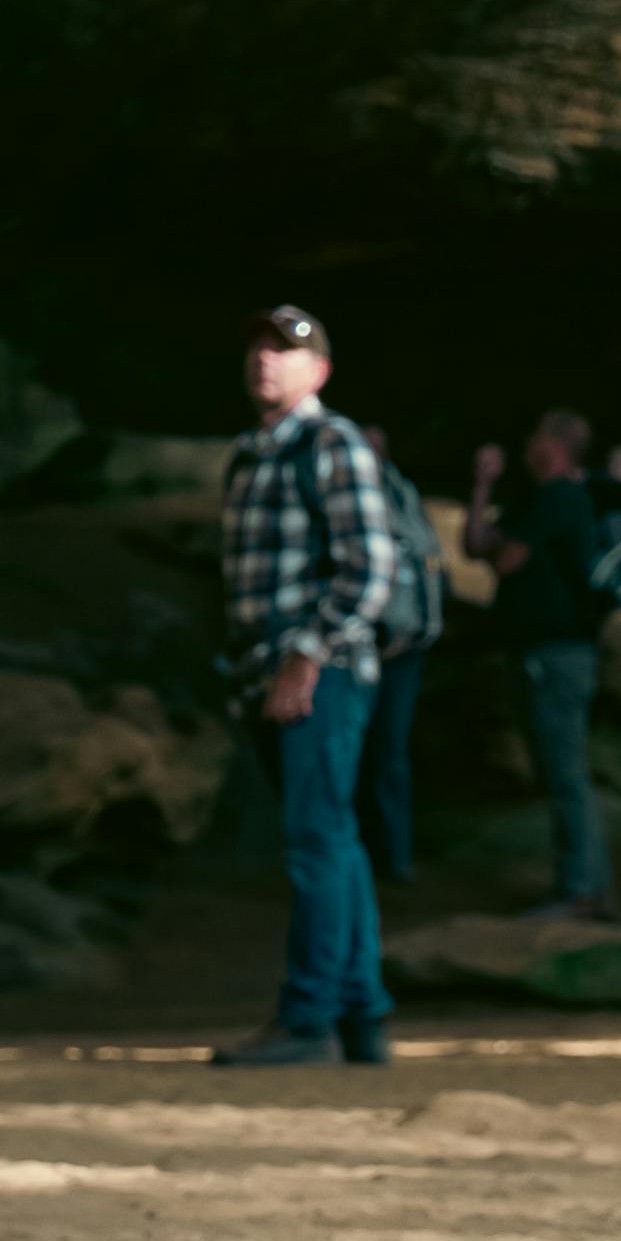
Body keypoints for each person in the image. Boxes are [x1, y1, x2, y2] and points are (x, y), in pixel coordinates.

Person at [213, 305, 401, 1069]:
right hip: (267, 676)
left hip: (319, 679)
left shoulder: (332, 443)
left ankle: (306, 1020)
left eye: (286, 350)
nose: (267, 359)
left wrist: (307, 656)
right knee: (334, 842)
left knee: (317, 843)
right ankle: (361, 1016)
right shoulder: (250, 456)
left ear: (318, 371)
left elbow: (371, 566)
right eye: (257, 345)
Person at [468, 409, 619, 915]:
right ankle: (584, 887)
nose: (527, 444)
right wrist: (483, 485)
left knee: (565, 772)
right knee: (560, 771)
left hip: (556, 656)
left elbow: (504, 558)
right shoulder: (536, 500)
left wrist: (503, 545)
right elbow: (476, 545)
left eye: (535, 434)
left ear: (554, 444)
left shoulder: (560, 498)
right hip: (541, 654)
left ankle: (581, 890)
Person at [345, 418, 446, 887]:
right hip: (360, 642)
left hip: (405, 645)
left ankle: (394, 856)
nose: (374, 455)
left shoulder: (400, 491)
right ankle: (358, 854)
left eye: (379, 447)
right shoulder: (342, 494)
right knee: (355, 749)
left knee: (389, 753)